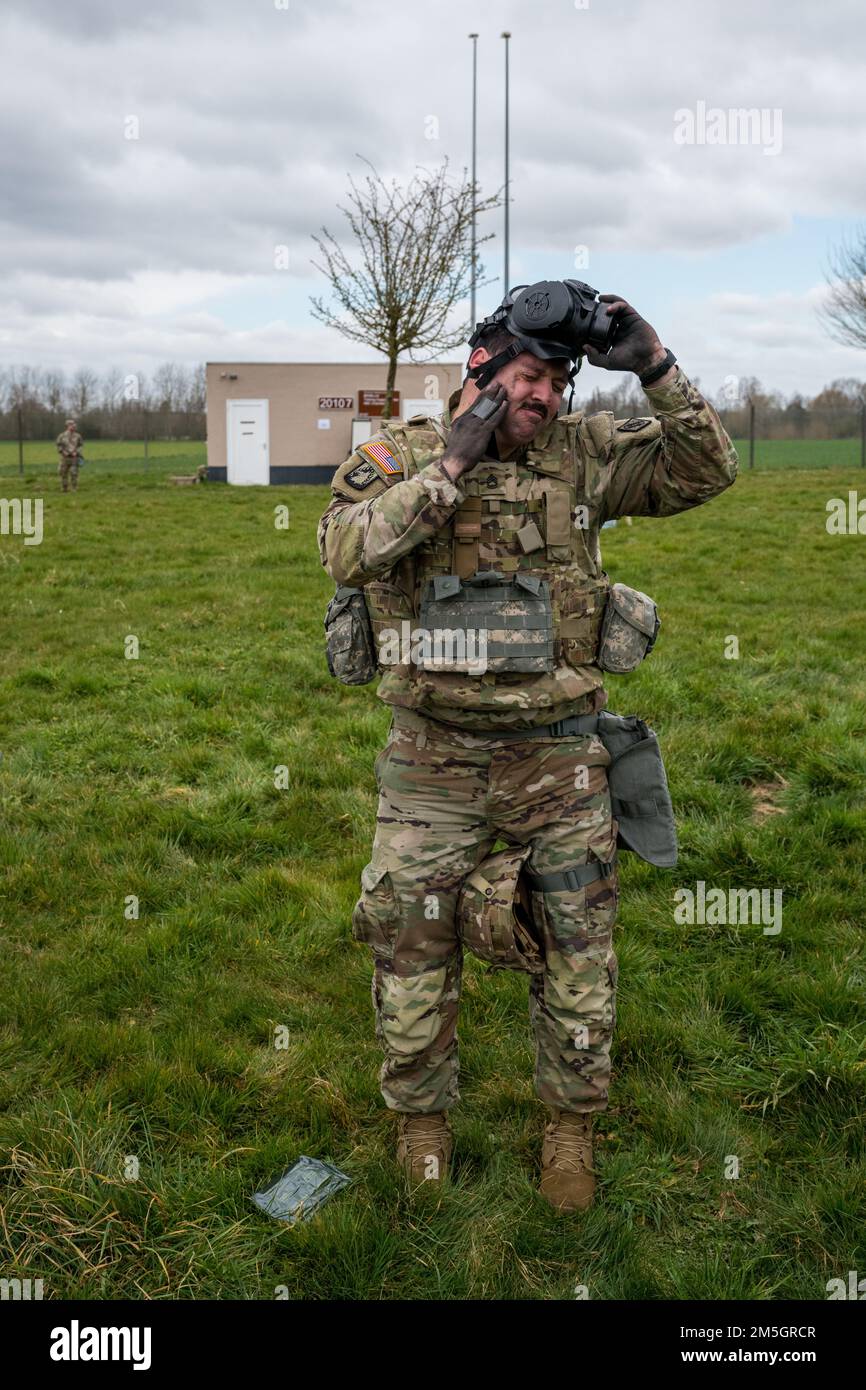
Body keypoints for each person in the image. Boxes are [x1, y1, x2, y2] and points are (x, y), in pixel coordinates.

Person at [317, 284, 738, 1210]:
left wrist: (656, 365)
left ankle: (569, 1135)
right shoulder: (401, 456)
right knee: (410, 941)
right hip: (433, 760)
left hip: (558, 758)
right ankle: (422, 1127)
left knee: (579, 953)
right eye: (528, 374)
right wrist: (451, 469)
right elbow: (345, 552)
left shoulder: (584, 457)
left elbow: (708, 471)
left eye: (557, 380)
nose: (544, 395)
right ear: (481, 370)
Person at [56, 418, 83, 493]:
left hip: (74, 458)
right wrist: (62, 452)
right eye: (71, 425)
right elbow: (58, 445)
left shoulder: (78, 436)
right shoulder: (62, 436)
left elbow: (80, 446)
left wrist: (77, 452)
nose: (73, 426)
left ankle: (74, 488)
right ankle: (64, 488)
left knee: (74, 473)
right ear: (67, 426)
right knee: (63, 473)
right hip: (65, 458)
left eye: (73, 425)